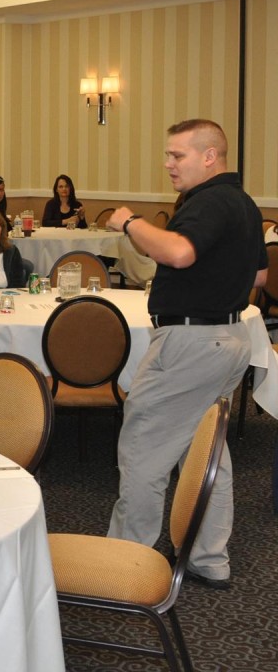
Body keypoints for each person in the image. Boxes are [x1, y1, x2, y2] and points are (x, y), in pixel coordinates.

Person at [105, 119, 264, 590]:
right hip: (229, 339)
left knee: (143, 452)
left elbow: (178, 253)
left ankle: (123, 565)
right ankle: (208, 555)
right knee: (207, 452)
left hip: (191, 345)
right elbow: (257, 277)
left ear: (210, 156)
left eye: (178, 156)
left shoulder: (210, 200)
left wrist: (129, 222)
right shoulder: (244, 204)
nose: (168, 164)